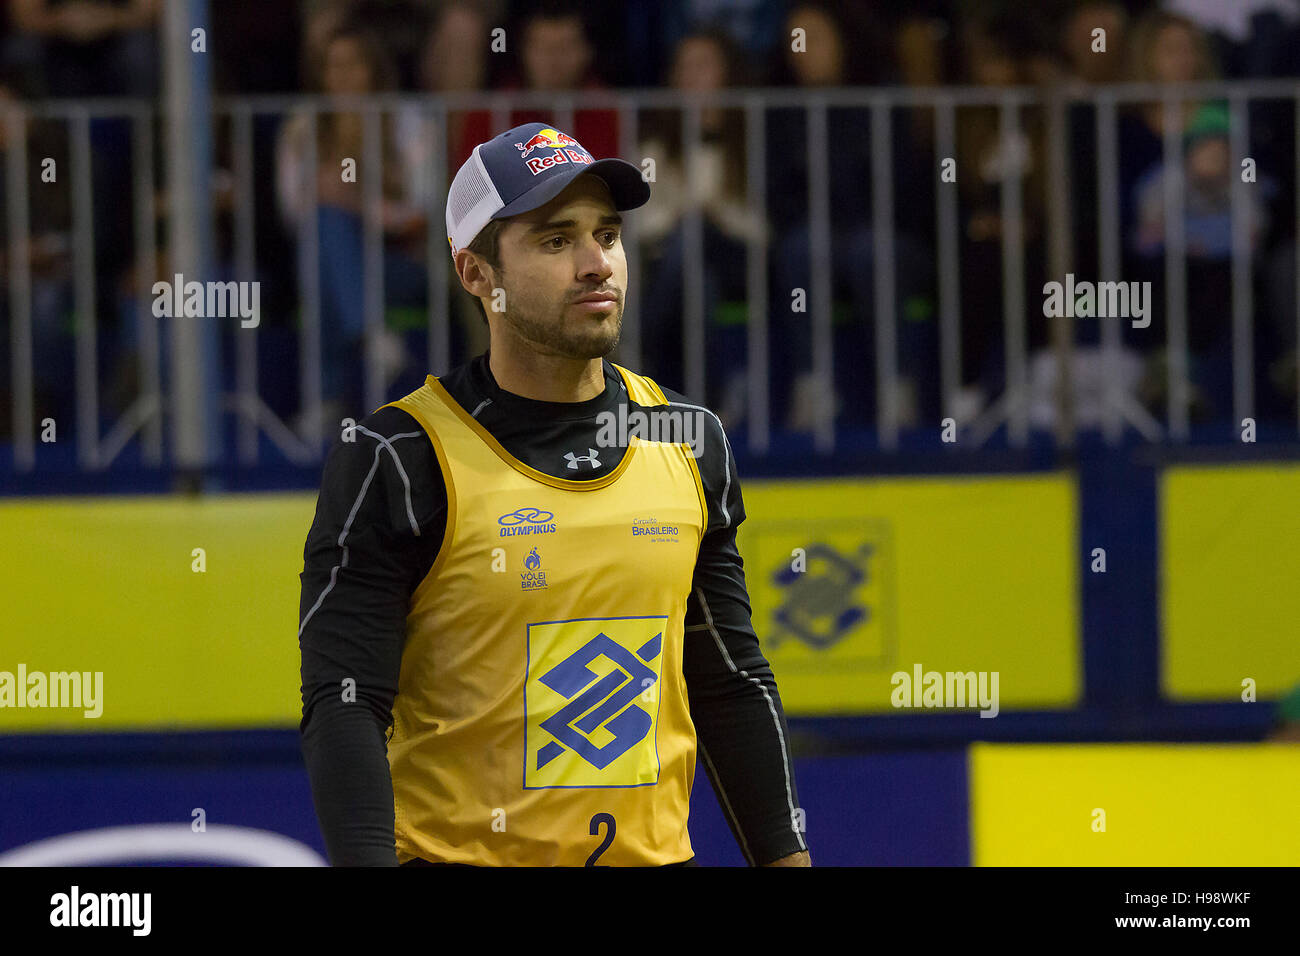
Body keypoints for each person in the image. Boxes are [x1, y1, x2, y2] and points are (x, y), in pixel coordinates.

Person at [297, 121, 811, 867]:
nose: (596, 263)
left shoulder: (688, 439)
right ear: (476, 274)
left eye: (607, 234)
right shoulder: (398, 456)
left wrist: (787, 859)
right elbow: (345, 705)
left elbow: (730, 682)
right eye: (554, 240)